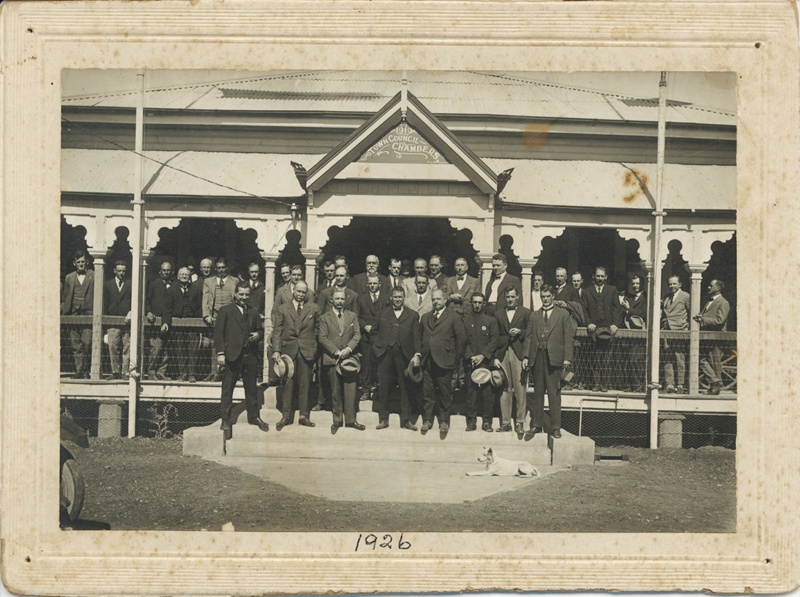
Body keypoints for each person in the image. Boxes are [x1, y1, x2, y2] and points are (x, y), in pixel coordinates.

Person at [522, 285, 576, 439]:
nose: (545, 299)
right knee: (538, 393)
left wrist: (567, 358)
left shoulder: (563, 315)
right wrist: (526, 356)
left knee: (554, 394)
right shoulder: (534, 315)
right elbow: (529, 337)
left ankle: (555, 427)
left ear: (553, 296)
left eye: (547, 296)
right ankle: (536, 425)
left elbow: (568, 338)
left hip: (555, 359)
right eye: (543, 296)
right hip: (537, 358)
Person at [215, 281, 267, 438]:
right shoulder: (225, 311)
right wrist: (221, 354)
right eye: (241, 294)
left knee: (251, 389)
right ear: (235, 294)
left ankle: (254, 417)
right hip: (232, 355)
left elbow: (260, 330)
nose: (244, 297)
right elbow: (218, 334)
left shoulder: (253, 311)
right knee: (227, 389)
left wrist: (257, 335)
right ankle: (225, 419)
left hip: (249, 356)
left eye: (247, 294)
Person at [414, 289, 465, 437]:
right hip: (427, 360)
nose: (436, 301)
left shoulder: (453, 317)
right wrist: (419, 354)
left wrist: (454, 358)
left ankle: (444, 421)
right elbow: (419, 336)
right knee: (427, 392)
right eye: (433, 299)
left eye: (438, 299)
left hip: (445, 361)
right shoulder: (425, 317)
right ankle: (427, 420)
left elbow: (461, 340)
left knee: (444, 393)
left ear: (444, 300)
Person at [271, 281, 320, 430]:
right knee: (288, 383)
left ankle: (304, 416)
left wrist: (313, 344)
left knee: (305, 383)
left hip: (306, 350)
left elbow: (318, 329)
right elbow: (277, 331)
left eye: (303, 292)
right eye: (298, 291)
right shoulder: (282, 309)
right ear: (293, 292)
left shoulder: (314, 308)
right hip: (288, 351)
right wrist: (276, 351)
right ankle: (286, 416)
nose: (300, 294)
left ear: (307, 294)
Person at [372, 286, 421, 430]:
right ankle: (383, 419)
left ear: (404, 298)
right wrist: (378, 347)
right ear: (391, 298)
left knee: (406, 387)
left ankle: (406, 419)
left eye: (400, 297)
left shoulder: (412, 315)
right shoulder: (383, 313)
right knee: (384, 386)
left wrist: (417, 354)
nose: (398, 299)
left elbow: (417, 337)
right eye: (395, 297)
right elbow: (373, 331)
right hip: (385, 354)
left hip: (404, 355)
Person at [318, 289, 364, 433]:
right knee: (335, 390)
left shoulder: (352, 316)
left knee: (350, 390)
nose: (339, 301)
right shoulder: (325, 317)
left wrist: (349, 349)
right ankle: (337, 420)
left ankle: (351, 420)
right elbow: (322, 337)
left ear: (345, 300)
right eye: (337, 299)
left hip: (349, 358)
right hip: (333, 358)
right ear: (332, 300)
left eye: (342, 299)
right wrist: (336, 351)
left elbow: (357, 334)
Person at [493, 287, 531, 432]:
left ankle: (520, 421)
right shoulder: (499, 314)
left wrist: (520, 332)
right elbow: (495, 336)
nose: (510, 299)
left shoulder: (525, 312)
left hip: (519, 353)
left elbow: (531, 333)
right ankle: (506, 422)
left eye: (512, 297)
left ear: (518, 297)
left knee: (520, 387)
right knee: (504, 388)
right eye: (507, 297)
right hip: (503, 352)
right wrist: (496, 357)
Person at [462, 292, 498, 432]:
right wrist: (471, 356)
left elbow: (494, 341)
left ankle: (487, 422)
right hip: (470, 362)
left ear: (483, 304)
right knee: (471, 393)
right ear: (471, 303)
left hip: (485, 363)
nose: (477, 305)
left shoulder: (490, 321)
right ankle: (471, 421)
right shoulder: (464, 320)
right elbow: (462, 341)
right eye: (474, 302)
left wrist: (483, 356)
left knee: (487, 394)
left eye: (479, 303)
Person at [583, 266, 622, 392]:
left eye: (602, 276)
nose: (599, 279)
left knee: (606, 359)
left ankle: (604, 384)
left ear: (606, 277)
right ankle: (595, 383)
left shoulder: (612, 290)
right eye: (597, 276)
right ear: (593, 277)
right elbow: (584, 310)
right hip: (594, 329)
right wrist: (588, 323)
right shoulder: (587, 291)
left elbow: (617, 308)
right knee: (595, 358)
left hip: (608, 328)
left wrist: (615, 324)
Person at [61, 250, 95, 379]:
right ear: (74, 263)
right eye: (78, 262)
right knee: (76, 344)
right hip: (73, 314)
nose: (81, 264)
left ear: (86, 262)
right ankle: (79, 370)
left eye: (83, 262)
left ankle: (87, 370)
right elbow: (66, 297)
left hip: (88, 314)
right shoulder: (69, 277)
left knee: (87, 342)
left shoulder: (94, 275)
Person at [694, 279, 731, 395]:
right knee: (702, 360)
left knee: (715, 362)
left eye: (711, 286)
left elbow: (720, 320)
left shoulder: (723, 303)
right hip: (707, 337)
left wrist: (703, 319)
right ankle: (714, 382)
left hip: (716, 337)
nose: (708, 288)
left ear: (718, 288)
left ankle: (715, 386)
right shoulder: (709, 301)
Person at [202, 257, 235, 381]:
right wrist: (206, 315)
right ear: (216, 269)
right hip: (215, 317)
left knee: (229, 346)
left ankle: (226, 374)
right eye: (219, 268)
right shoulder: (208, 281)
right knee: (215, 345)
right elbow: (205, 300)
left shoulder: (234, 281)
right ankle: (214, 373)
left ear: (226, 268)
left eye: (223, 268)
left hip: (230, 318)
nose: (221, 270)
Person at [168, 266, 203, 383]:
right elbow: (168, 307)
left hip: (192, 324)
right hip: (178, 324)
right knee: (180, 349)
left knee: (193, 349)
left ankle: (192, 374)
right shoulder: (172, 289)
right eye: (182, 274)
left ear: (189, 277)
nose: (184, 276)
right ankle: (183, 373)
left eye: (186, 274)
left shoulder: (195, 289)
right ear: (178, 276)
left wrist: (197, 319)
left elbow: (199, 306)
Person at [356, 274, 384, 402]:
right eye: (370, 284)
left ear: (379, 284)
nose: (372, 286)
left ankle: (378, 390)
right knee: (366, 364)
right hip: (366, 337)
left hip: (379, 336)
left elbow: (386, 316)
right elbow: (357, 316)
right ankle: (366, 390)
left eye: (375, 283)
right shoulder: (361, 299)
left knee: (379, 365)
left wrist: (378, 327)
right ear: (367, 285)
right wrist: (364, 325)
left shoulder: (385, 299)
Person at [145, 261, 174, 380]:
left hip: (168, 320)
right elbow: (146, 299)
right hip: (155, 321)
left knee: (166, 349)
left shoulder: (174, 285)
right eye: (164, 270)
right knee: (156, 347)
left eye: (168, 270)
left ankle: (161, 372)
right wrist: (148, 312)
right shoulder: (153, 284)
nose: (166, 272)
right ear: (160, 271)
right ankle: (151, 371)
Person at [661, 275, 690, 394]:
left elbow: (691, 311)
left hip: (679, 330)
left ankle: (680, 384)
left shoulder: (686, 296)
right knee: (667, 358)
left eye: (674, 284)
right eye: (670, 284)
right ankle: (670, 384)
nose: (672, 286)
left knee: (679, 358)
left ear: (680, 284)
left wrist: (686, 327)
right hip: (667, 330)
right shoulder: (667, 297)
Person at [103, 260, 131, 380]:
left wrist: (131, 312)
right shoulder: (108, 284)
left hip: (127, 320)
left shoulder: (130, 283)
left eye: (123, 271)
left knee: (127, 346)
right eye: (119, 271)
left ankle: (125, 372)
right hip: (112, 320)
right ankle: (115, 371)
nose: (121, 273)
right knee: (113, 346)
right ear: (115, 271)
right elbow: (104, 303)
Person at [620, 274, 648, 391]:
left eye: (638, 283)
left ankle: (638, 385)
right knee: (628, 361)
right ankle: (630, 385)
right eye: (633, 284)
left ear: (642, 284)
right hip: (629, 334)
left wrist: (628, 309)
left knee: (637, 361)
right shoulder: (630, 298)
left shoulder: (646, 297)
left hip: (639, 334)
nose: (635, 286)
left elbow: (644, 313)